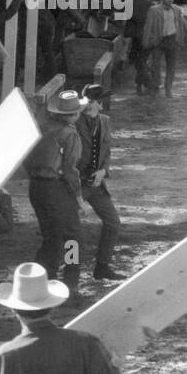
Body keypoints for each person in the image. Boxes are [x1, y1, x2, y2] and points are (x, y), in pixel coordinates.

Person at [24, 90, 85, 303]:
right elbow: (70, 169)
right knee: (72, 237)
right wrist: (78, 198)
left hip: (36, 187)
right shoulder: (70, 134)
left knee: (50, 237)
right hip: (57, 188)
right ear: (75, 115)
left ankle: (37, 281)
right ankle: (70, 283)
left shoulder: (41, 128)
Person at [74, 83, 121, 282]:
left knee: (113, 223)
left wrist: (104, 171)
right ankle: (71, 274)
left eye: (96, 102)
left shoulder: (105, 122)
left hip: (96, 184)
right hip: (76, 186)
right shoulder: (73, 124)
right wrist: (76, 194)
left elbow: (107, 152)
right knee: (72, 232)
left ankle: (102, 266)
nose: (92, 106)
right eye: (90, 102)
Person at [142, 0, 187, 97]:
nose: (171, 0)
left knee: (171, 66)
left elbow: (183, 22)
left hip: (172, 40)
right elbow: (148, 27)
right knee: (155, 65)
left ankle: (168, 89)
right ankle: (156, 86)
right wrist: (146, 42)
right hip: (159, 40)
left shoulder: (177, 9)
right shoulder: (154, 10)